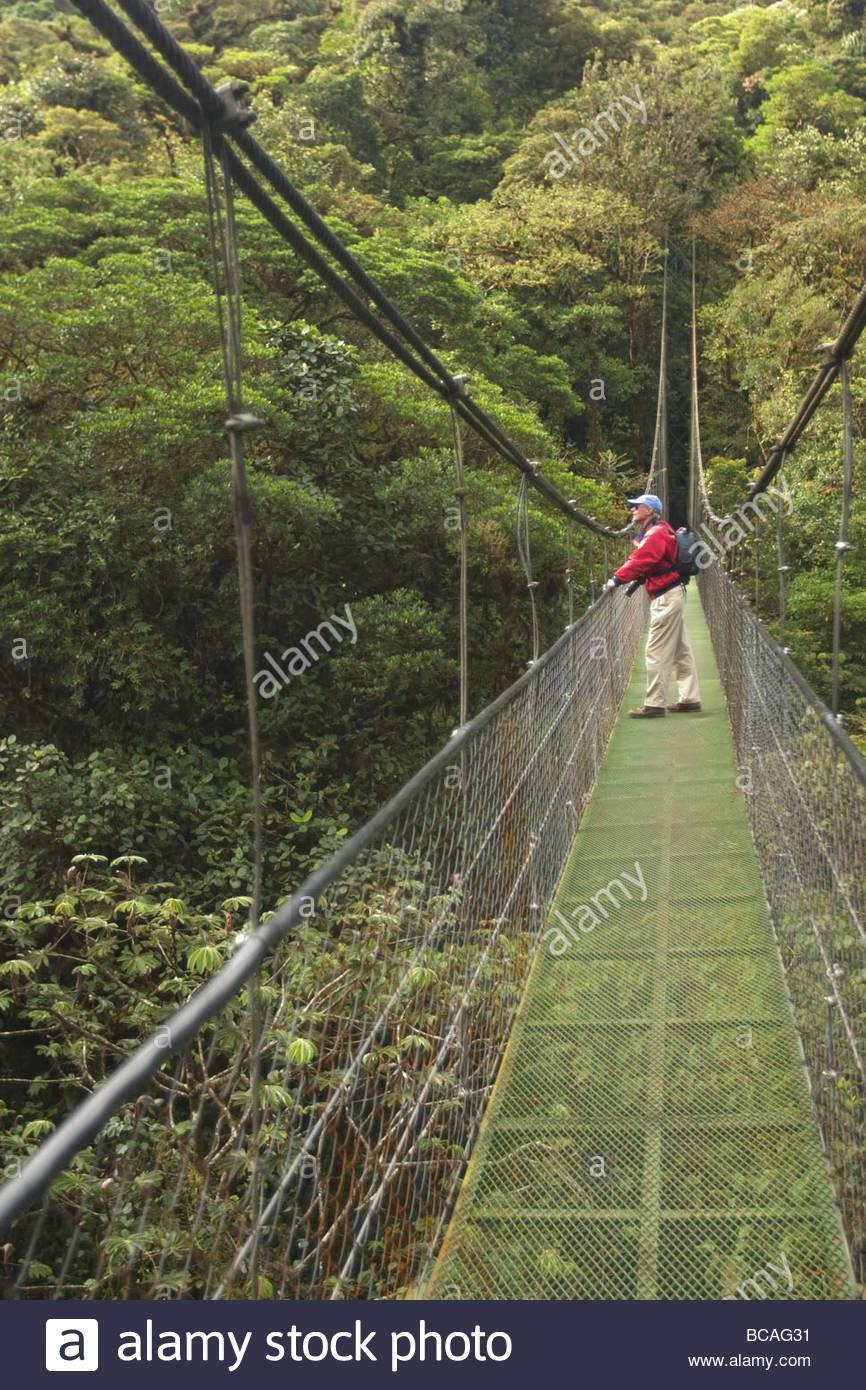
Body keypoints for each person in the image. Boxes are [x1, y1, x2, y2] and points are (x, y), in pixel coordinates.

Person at [603, 492, 701, 718]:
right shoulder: (655, 531)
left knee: (655, 650)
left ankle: (654, 704)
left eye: (637, 506)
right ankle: (690, 698)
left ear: (649, 510)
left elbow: (641, 560)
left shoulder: (655, 533)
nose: (632, 509)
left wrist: (616, 580)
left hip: (666, 597)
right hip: (669, 594)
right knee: (679, 649)